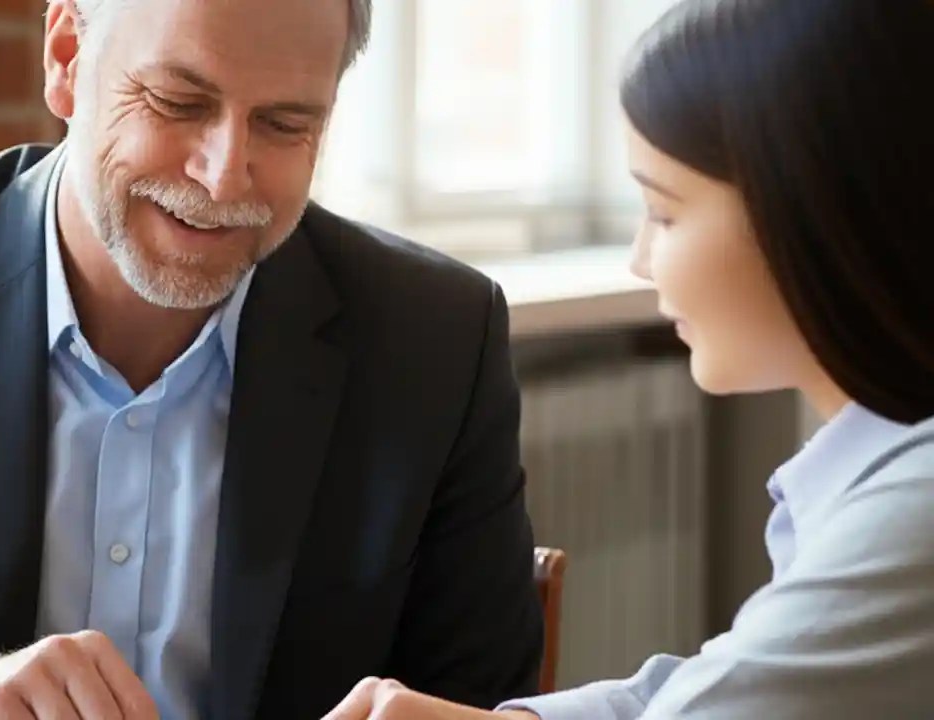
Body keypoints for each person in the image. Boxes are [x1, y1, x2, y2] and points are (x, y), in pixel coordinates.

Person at [0, 0, 545, 718]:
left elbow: (481, 699)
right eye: (179, 102)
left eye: (282, 124)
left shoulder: (435, 338)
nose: (224, 174)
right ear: (68, 56)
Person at [323, 0, 934, 718]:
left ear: (814, 208)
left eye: (665, 212)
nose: (641, 260)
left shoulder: (913, 514)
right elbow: (732, 679)